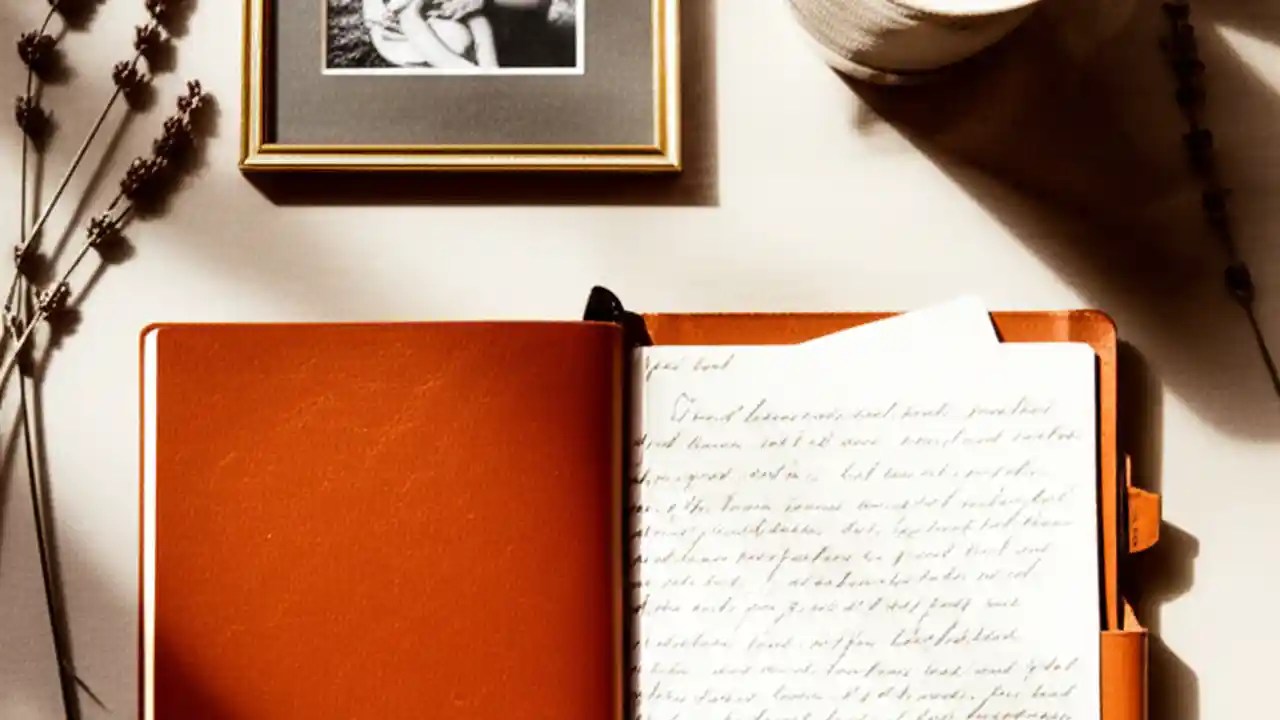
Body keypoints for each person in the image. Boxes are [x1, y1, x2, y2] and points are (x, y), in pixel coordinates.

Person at [364, 0, 499, 69]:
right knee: (410, 17)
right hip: (400, 28)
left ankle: (491, 73)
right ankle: (462, 71)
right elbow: (407, 17)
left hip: (441, 16)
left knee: (479, 22)